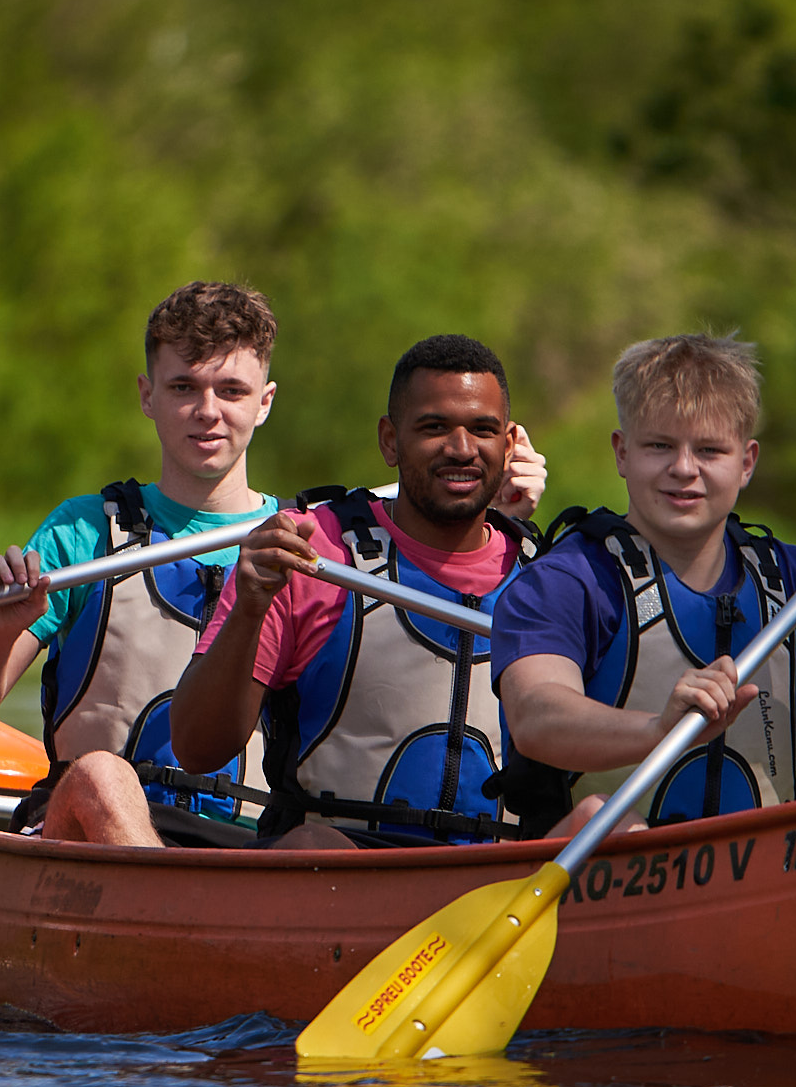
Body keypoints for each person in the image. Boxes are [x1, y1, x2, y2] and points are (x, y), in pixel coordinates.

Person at [491, 331, 796, 835]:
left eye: (709, 450)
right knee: (605, 817)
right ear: (622, 453)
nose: (684, 469)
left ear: (746, 462)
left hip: (761, 867)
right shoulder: (567, 580)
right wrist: (659, 730)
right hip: (600, 862)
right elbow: (537, 719)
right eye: (660, 446)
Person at [0, 281, 287, 847]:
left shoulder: (301, 546)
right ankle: (159, 889)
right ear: (147, 396)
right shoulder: (83, 533)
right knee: (102, 775)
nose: (208, 411)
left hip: (244, 844)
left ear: (263, 403)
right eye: (183, 387)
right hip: (92, 833)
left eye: (231, 390)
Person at [171, 334, 552, 847]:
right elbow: (197, 751)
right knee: (313, 845)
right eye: (434, 427)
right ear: (390, 441)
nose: (462, 449)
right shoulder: (307, 552)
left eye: (481, 430)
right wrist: (249, 611)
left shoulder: (548, 576)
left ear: (507, 446)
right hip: (338, 863)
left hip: (496, 876)